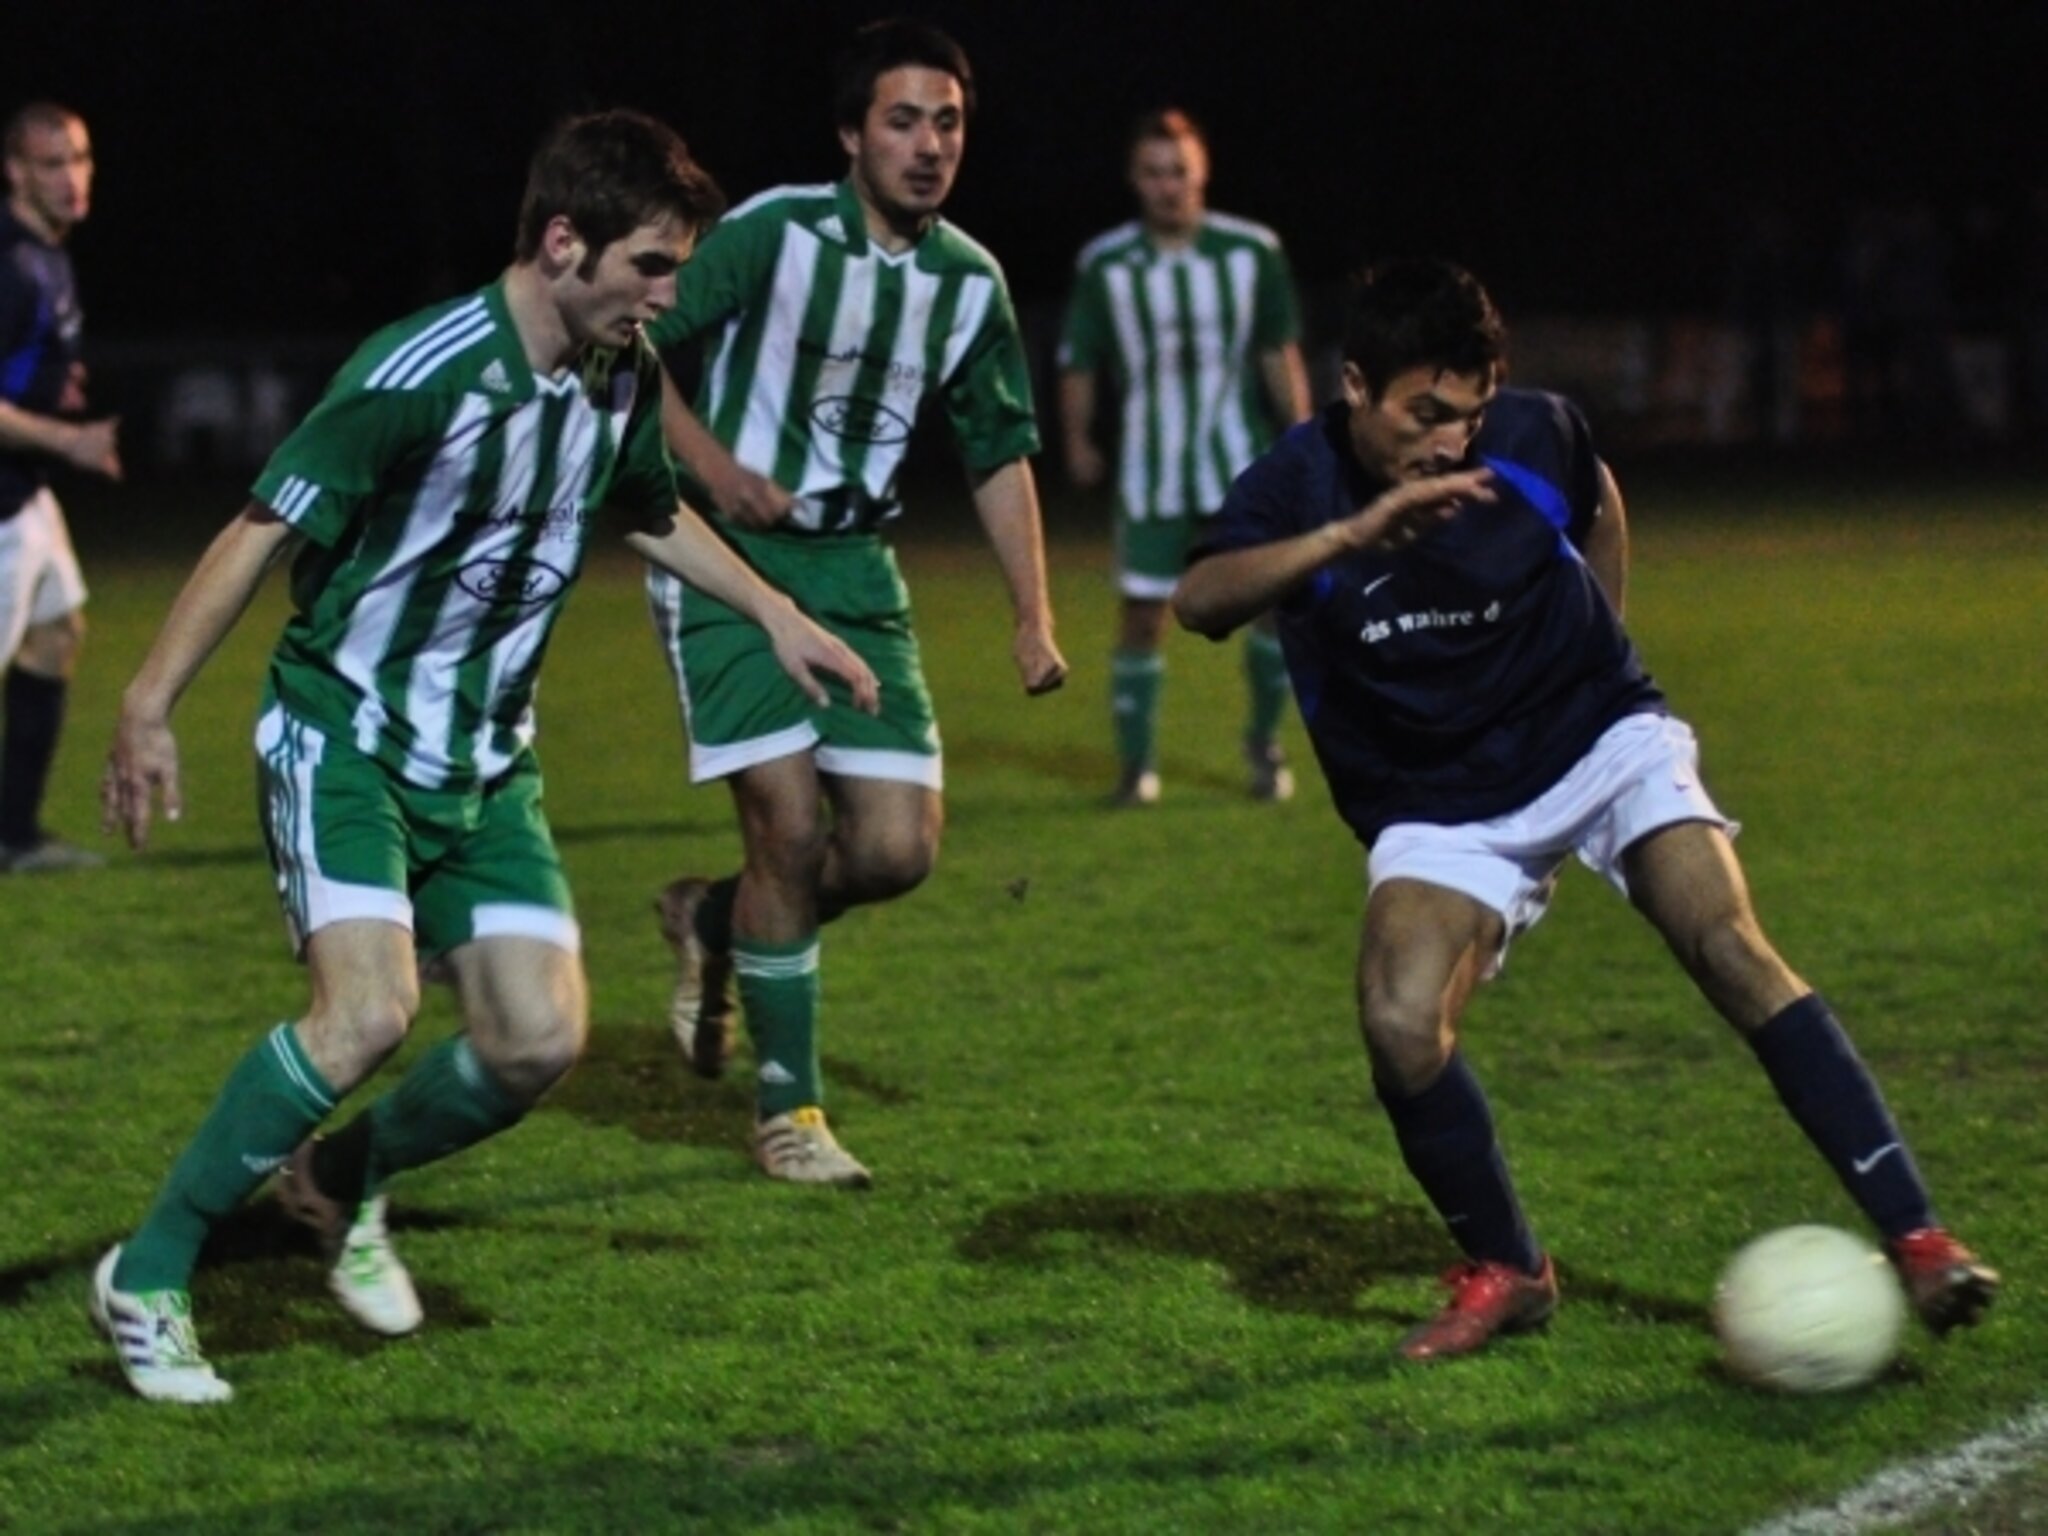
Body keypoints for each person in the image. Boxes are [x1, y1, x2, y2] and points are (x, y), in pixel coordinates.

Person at [91, 110, 879, 1406]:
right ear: (565, 242)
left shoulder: (622, 374)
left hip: (488, 763)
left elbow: (650, 512)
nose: (670, 297)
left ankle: (336, 1183)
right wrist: (146, 700)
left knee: (533, 1042)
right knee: (370, 1014)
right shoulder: (420, 369)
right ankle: (152, 1269)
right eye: (653, 266)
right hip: (345, 734)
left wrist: (780, 614)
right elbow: (258, 527)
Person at [1171, 257, 2000, 1361]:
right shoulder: (1295, 481)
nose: (1448, 443)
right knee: (1398, 1020)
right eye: (1422, 415)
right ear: (1355, 384)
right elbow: (1198, 601)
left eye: (1464, 416)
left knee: (1725, 940)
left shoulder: (1533, 434)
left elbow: (1599, 501)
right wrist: (1351, 537)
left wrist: (1602, 656)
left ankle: (1919, 1238)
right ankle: (1510, 1268)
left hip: (1595, 735)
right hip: (1438, 796)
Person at [645, 18, 1066, 1187]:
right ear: (849, 134)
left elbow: (995, 452)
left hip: (859, 575)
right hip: (728, 564)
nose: (930, 145)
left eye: (948, 122)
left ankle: (715, 920)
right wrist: (714, 468)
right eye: (902, 120)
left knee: (890, 852)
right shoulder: (770, 234)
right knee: (785, 826)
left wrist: (1030, 615)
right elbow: (626, 342)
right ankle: (791, 1115)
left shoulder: (967, 282)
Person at [1058, 109, 1310, 807]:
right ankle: (1136, 769)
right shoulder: (1106, 263)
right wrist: (1078, 440)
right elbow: (1080, 360)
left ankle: (1264, 742)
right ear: (1134, 180)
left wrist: (1304, 439)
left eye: (1180, 172)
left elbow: (1276, 348)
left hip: (1241, 466)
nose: (1168, 186)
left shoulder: (1251, 250)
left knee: (1270, 609)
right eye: (1154, 173)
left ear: (1202, 175)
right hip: (1151, 471)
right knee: (1143, 616)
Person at [0, 102, 119, 872]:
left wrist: (56, 394)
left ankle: (13, 836)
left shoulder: (49, 254)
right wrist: (70, 438)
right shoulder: (9, 265)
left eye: (79, 159)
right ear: (15, 172)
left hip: (26, 492)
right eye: (52, 164)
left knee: (56, 634)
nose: (72, 178)